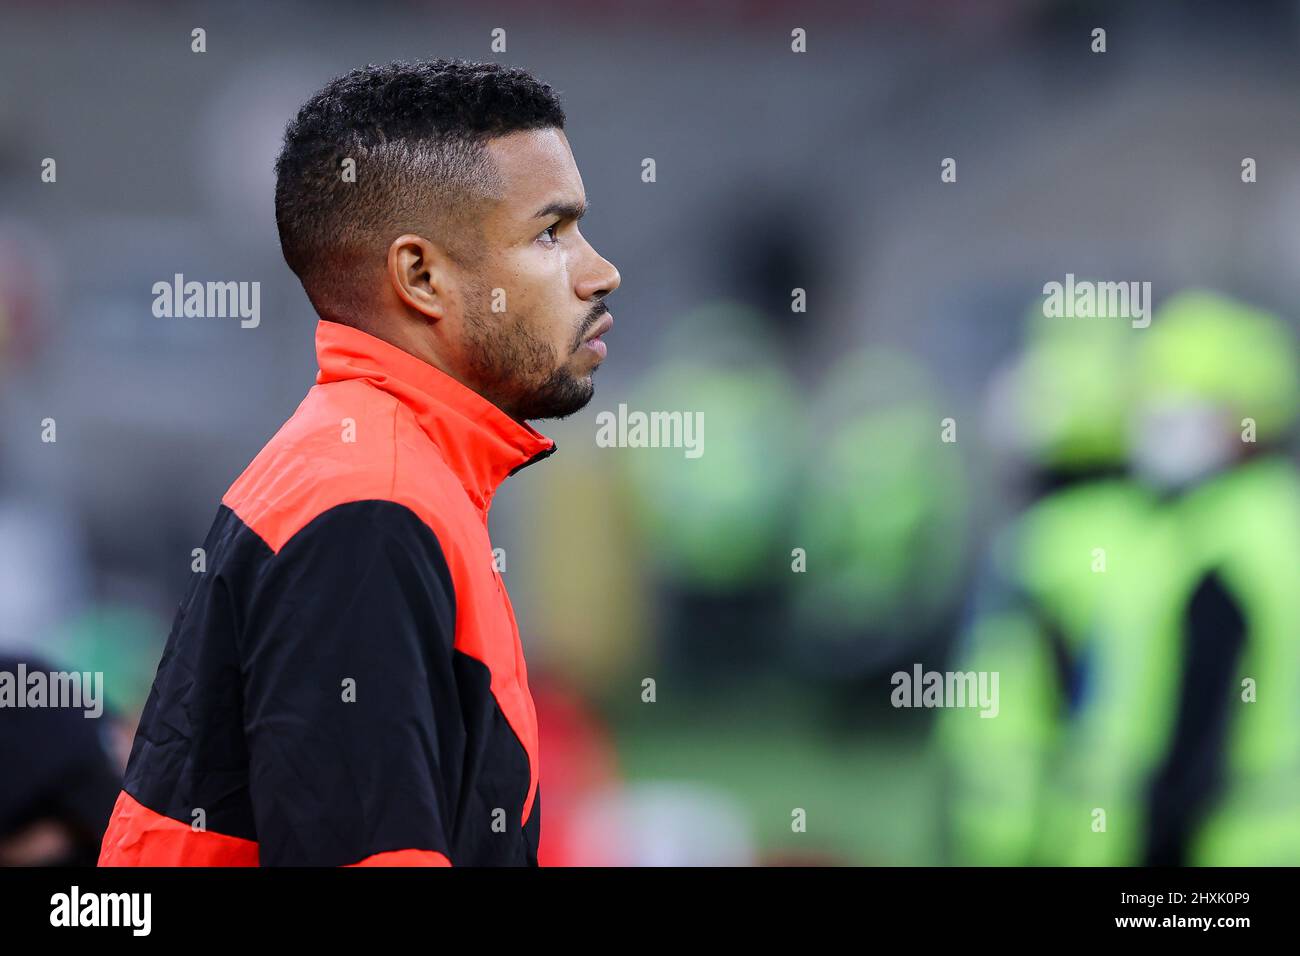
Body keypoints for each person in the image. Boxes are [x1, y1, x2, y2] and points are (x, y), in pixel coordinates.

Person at [99, 59, 620, 867]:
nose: (600, 271)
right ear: (421, 277)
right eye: (550, 233)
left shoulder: (385, 474)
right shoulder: (366, 512)